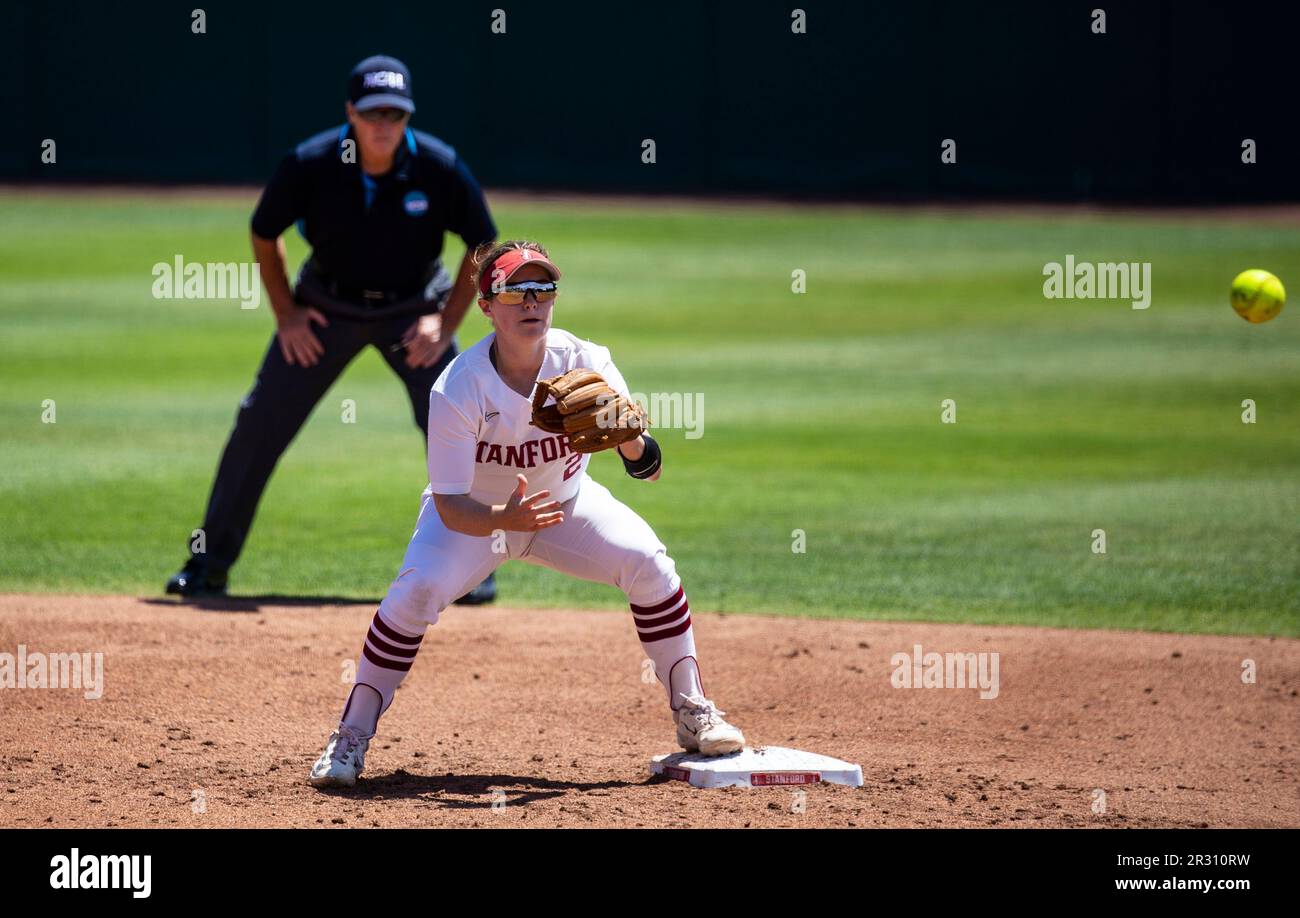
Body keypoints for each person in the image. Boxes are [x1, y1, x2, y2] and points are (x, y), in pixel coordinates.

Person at [307, 240, 746, 787]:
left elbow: (647, 465)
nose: (533, 301)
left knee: (650, 564)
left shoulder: (586, 361)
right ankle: (350, 737)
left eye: (544, 289)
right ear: (487, 305)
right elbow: (448, 504)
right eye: (516, 290)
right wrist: (502, 517)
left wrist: (631, 441)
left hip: (566, 508)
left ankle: (693, 710)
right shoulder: (458, 387)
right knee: (413, 594)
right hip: (474, 520)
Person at [166, 55, 498, 605]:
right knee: (258, 425)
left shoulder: (439, 167)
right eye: (372, 113)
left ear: (408, 115)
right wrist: (286, 314)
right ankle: (208, 565)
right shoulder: (311, 162)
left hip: (413, 311)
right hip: (326, 310)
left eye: (395, 112)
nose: (383, 124)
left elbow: (483, 246)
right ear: (351, 112)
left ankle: (473, 568)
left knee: (462, 425)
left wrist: (446, 321)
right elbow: (263, 230)